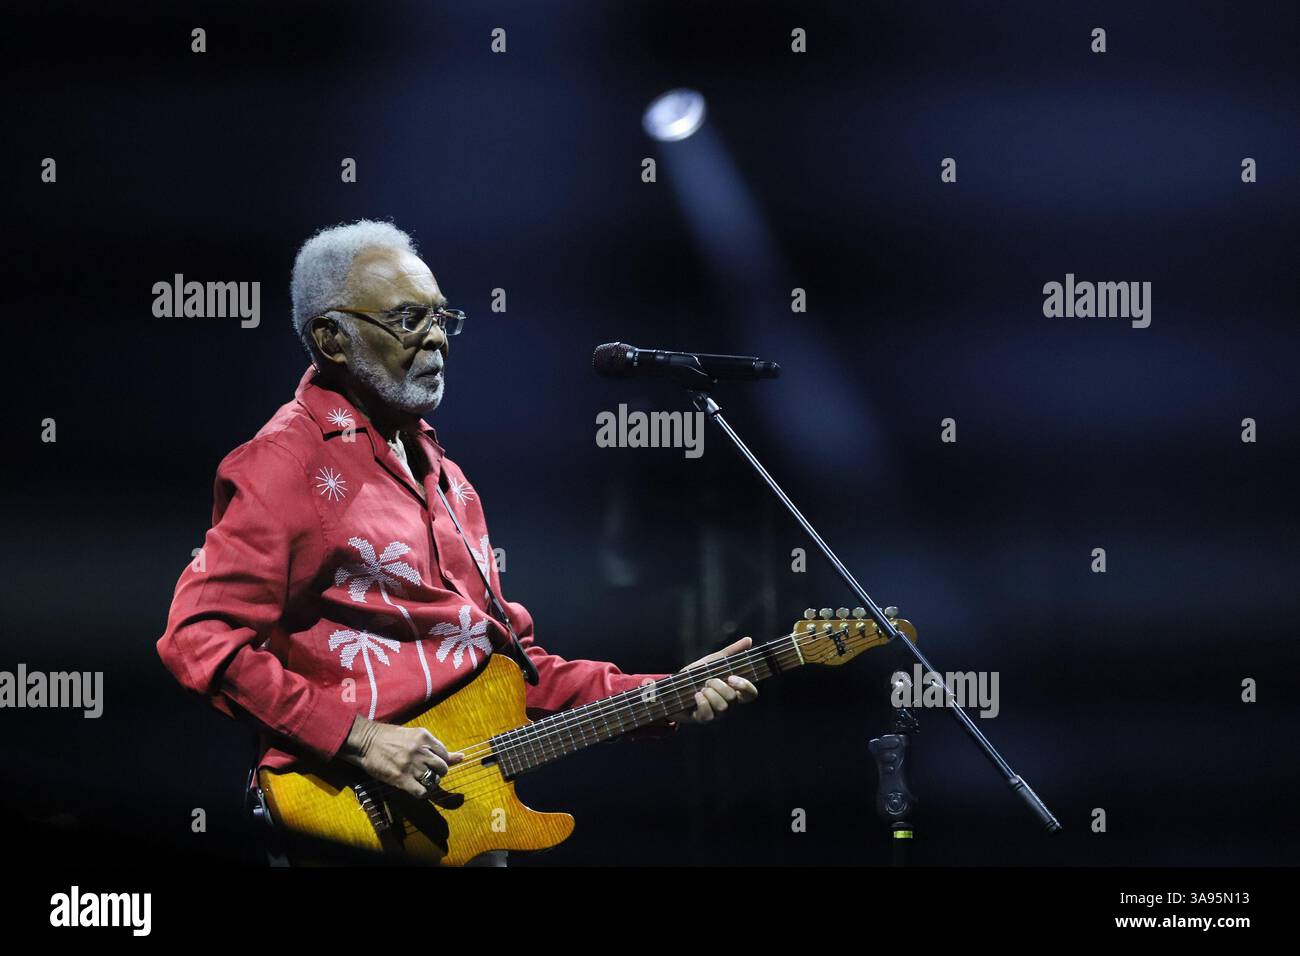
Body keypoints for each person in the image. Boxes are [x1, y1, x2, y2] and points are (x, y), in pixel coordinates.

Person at [157, 220, 757, 862]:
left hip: (462, 818)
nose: (438, 337)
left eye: (444, 317)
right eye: (410, 319)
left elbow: (513, 672)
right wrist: (358, 740)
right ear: (332, 338)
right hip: (340, 817)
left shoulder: (449, 480)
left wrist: (660, 696)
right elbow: (197, 637)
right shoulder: (285, 464)